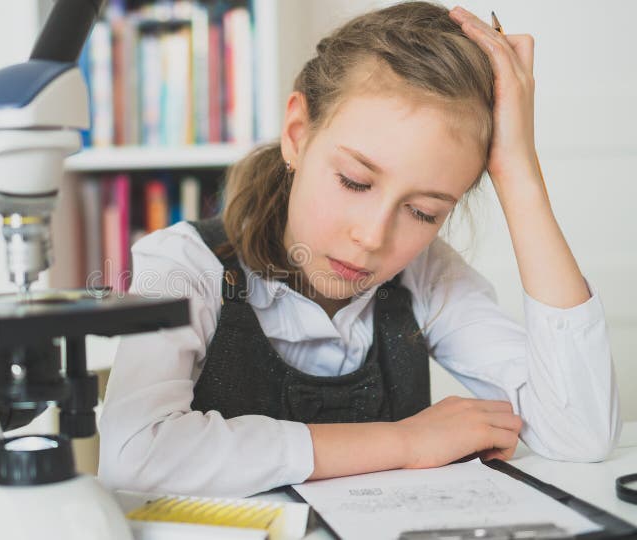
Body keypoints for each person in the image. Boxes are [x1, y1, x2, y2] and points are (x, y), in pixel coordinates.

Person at [97, 1, 621, 497]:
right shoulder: (184, 265)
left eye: (423, 212)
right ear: (298, 134)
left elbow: (580, 432)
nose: (373, 237)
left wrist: (519, 174)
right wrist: (404, 443)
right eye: (353, 181)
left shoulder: (428, 276)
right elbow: (133, 456)